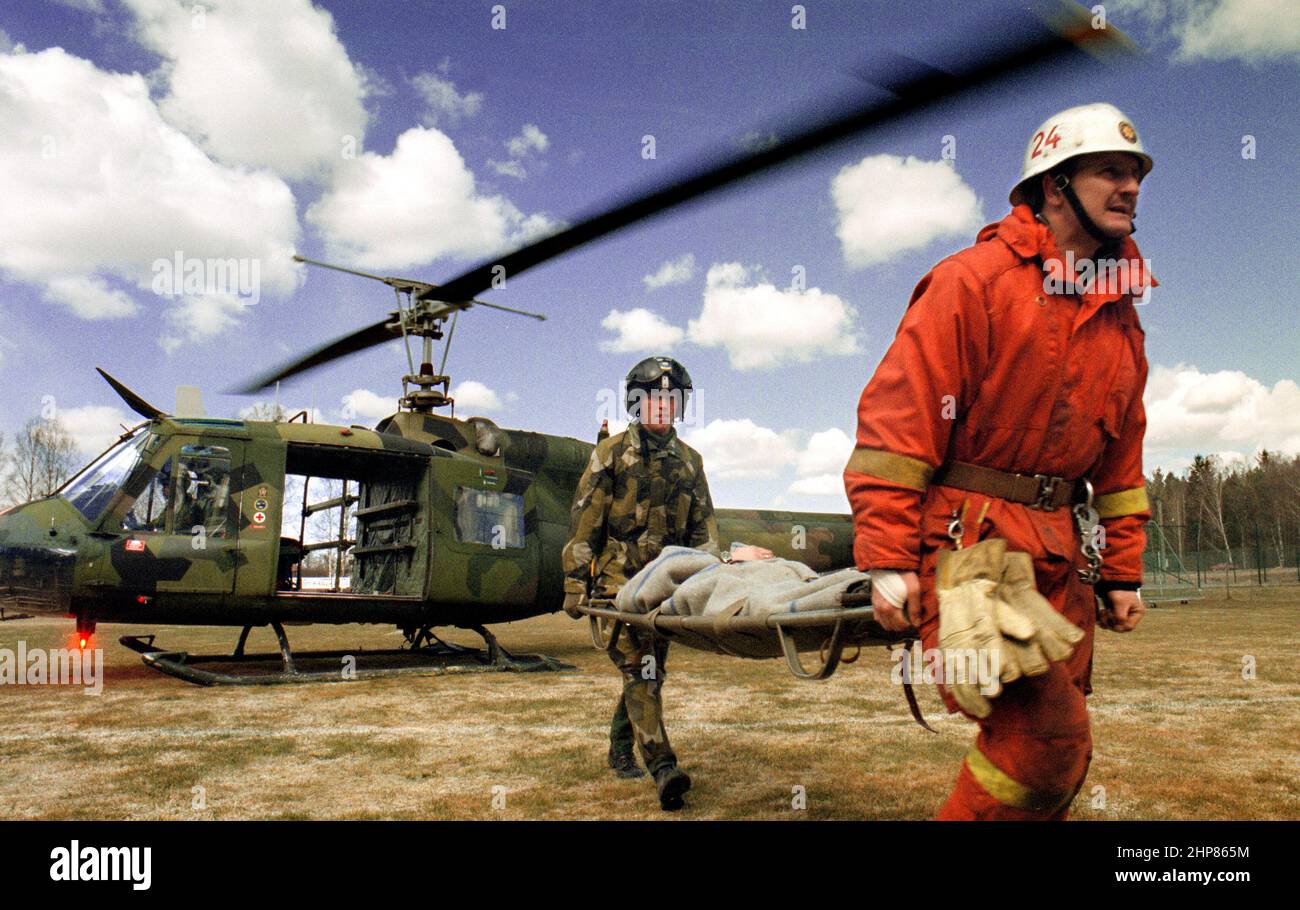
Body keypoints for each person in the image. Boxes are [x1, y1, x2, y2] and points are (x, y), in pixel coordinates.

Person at [843, 103, 1154, 820]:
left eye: (1135, 173)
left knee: (1063, 749)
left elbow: (1121, 462)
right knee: (1042, 734)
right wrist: (888, 557)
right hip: (970, 551)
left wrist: (1122, 571)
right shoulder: (971, 282)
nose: (1131, 186)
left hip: (1061, 557)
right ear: (1054, 185)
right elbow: (899, 424)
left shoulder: (1120, 316)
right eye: (1110, 171)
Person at [561, 356, 719, 811]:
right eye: (654, 398)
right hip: (617, 583)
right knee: (639, 670)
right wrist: (575, 581)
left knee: (649, 672)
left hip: (664, 586)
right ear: (637, 402)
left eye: (671, 399)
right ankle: (664, 767)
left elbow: (704, 533)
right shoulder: (609, 454)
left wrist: (707, 579)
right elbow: (585, 523)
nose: (663, 407)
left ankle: (617, 748)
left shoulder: (691, 463)